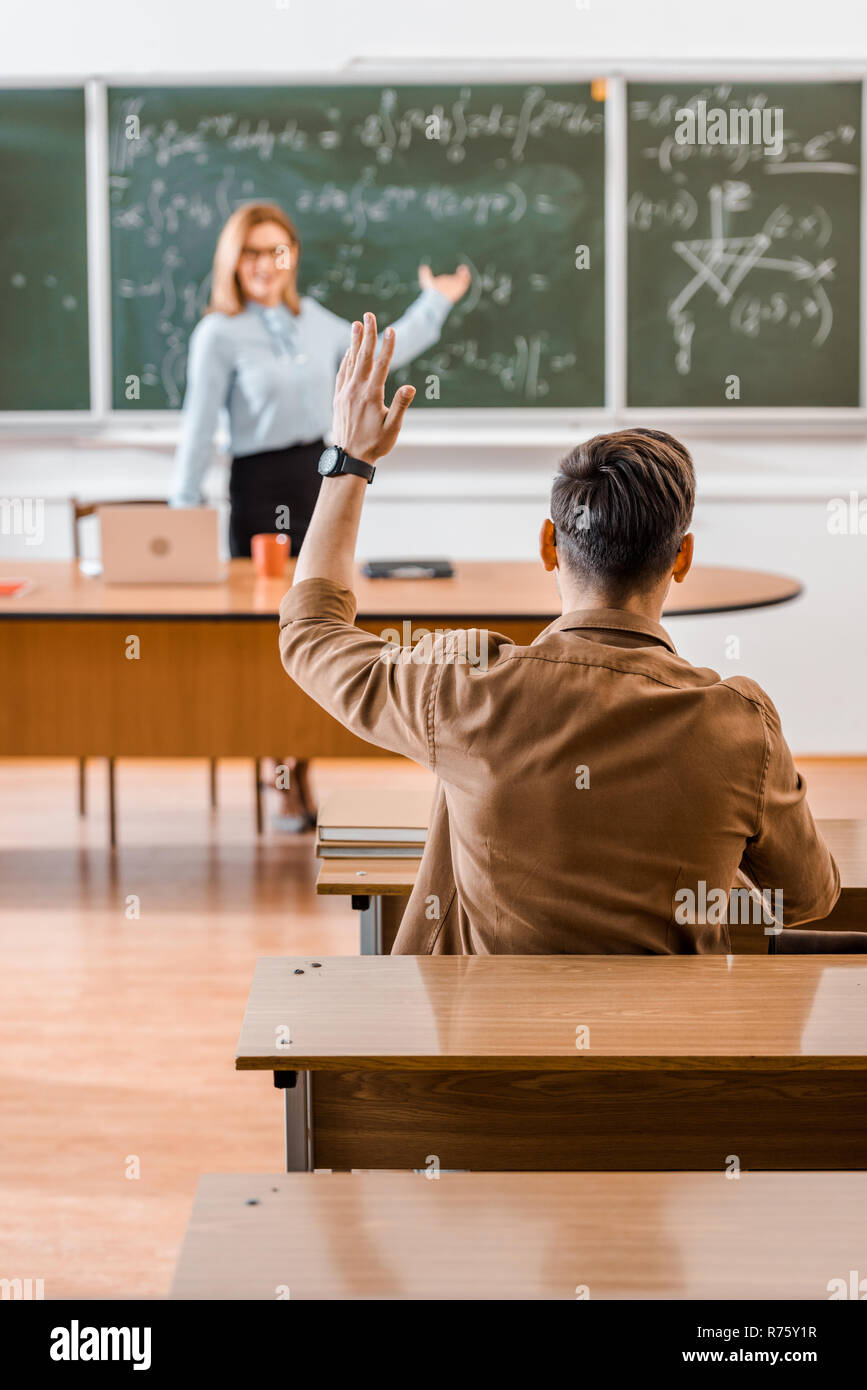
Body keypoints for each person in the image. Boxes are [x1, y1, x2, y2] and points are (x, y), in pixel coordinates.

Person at [277, 313, 850, 954]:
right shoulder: (742, 727)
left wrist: (350, 460)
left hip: (485, 1051)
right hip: (668, 1052)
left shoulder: (467, 689)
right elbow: (809, 898)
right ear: (682, 557)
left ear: (550, 545)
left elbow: (310, 631)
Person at [171, 203, 470, 829]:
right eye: (252, 252)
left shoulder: (316, 325)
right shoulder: (218, 335)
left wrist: (435, 303)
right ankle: (277, 771)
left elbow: (386, 347)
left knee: (320, 620)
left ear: (294, 257)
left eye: (277, 250)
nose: (265, 264)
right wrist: (183, 520)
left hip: (324, 480)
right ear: (233, 260)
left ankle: (300, 764)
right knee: (266, 637)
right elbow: (198, 433)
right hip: (258, 491)